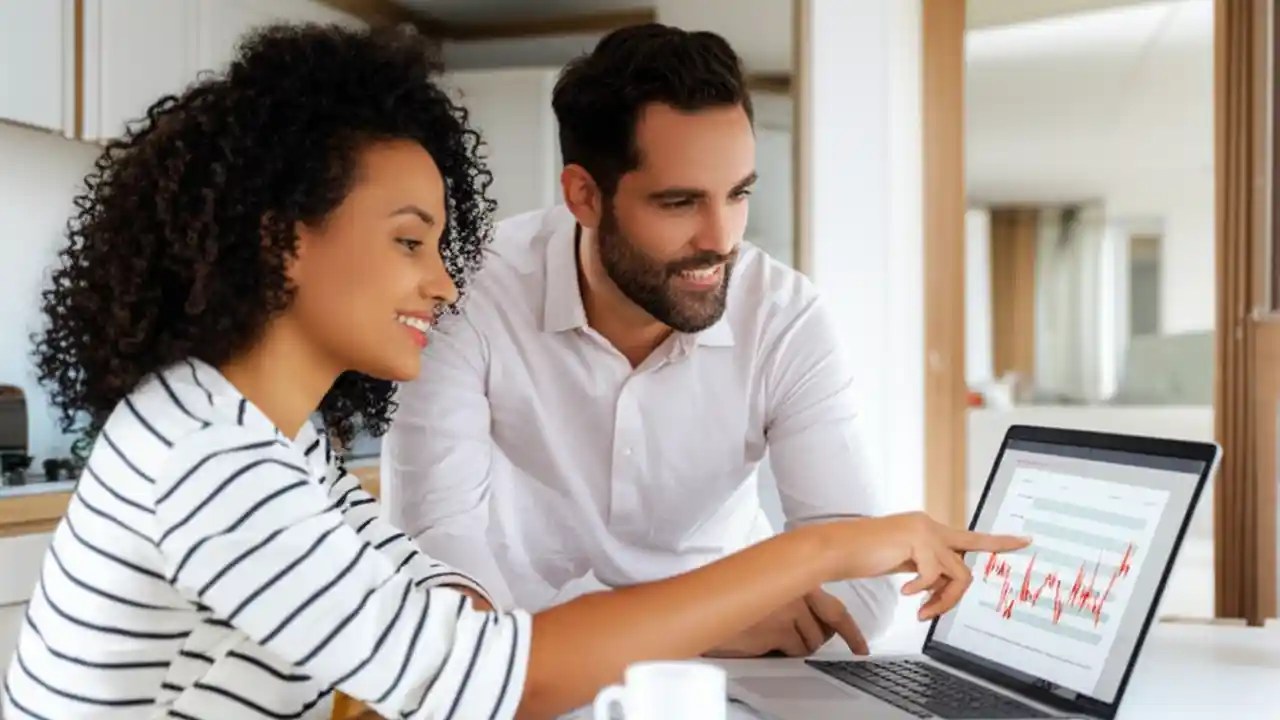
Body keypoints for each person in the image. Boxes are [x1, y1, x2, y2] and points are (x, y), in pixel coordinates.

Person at [0, 23, 1026, 720]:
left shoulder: (269, 443)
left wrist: (559, 630)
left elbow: (459, 625)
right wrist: (821, 551)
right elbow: (476, 670)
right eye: (408, 243)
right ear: (283, 243)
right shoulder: (209, 458)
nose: (442, 287)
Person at [383, 23, 899, 658]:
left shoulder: (784, 316)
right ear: (584, 196)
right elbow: (438, 563)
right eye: (680, 202)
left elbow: (863, 590)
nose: (721, 238)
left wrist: (639, 638)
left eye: (737, 195)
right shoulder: (468, 292)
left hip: (722, 681)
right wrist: (701, 627)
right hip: (534, 682)